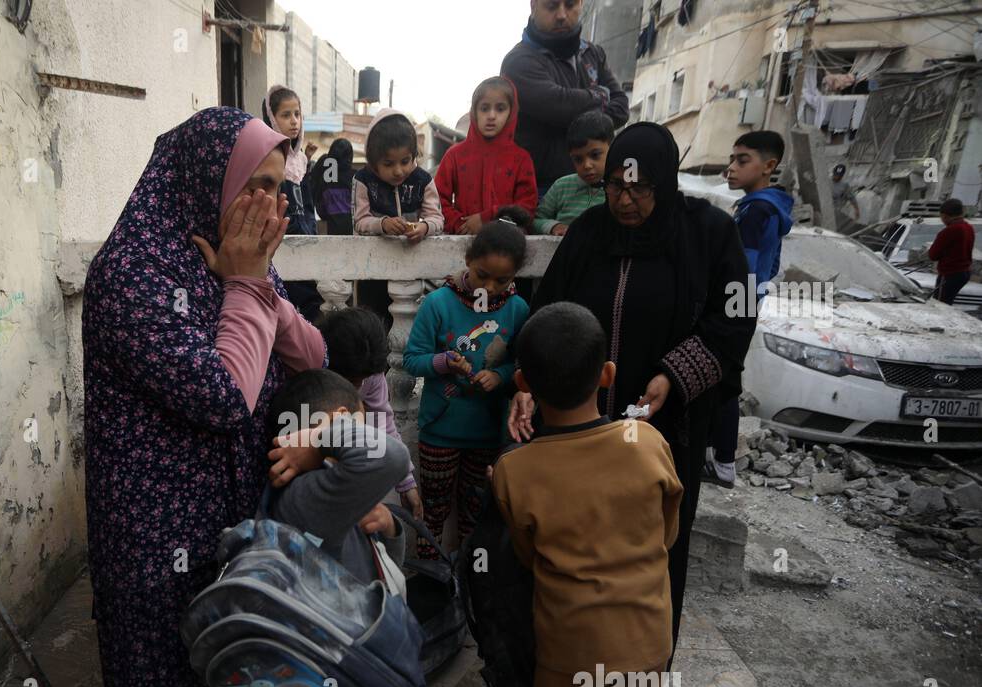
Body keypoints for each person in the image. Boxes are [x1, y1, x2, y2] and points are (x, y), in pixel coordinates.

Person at [82, 107, 326, 687]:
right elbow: (225, 395)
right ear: (202, 180)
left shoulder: (237, 255)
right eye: (253, 186)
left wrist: (258, 287)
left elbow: (311, 356)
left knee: (233, 686)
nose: (269, 208)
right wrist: (247, 284)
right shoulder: (133, 273)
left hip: (227, 526)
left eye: (279, 190)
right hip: (158, 538)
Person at [516, 122, 751, 659]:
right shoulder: (589, 233)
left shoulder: (710, 234)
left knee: (654, 540)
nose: (624, 200)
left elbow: (735, 318)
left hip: (664, 426)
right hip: (580, 423)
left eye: (639, 189)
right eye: (615, 188)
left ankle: (642, 657)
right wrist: (529, 383)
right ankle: (569, 648)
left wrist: (673, 375)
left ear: (665, 184)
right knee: (574, 533)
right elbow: (546, 313)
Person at [489, 303, 682, 687]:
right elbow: (665, 533)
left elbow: (527, 555)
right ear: (608, 374)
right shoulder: (645, 443)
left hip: (570, 650)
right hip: (647, 642)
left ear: (523, 383)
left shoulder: (516, 470)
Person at [263, 368, 413, 687]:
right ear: (344, 423)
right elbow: (392, 455)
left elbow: (383, 558)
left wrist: (390, 525)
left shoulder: (330, 488)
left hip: (323, 667)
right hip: (337, 681)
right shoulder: (307, 495)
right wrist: (319, 441)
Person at [403, 219, 531, 560]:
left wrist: (501, 376)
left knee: (476, 512)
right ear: (467, 260)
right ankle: (432, 581)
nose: (489, 287)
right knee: (433, 509)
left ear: (516, 275)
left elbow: (523, 367)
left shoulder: (518, 310)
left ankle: (469, 581)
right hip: (439, 431)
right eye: (481, 275)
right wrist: (445, 362)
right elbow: (412, 359)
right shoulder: (438, 304)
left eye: (502, 280)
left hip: (488, 433)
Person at [705, 130, 793, 489]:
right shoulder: (768, 207)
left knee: (722, 381)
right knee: (720, 378)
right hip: (744, 302)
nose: (731, 168)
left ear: (769, 165)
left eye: (743, 161)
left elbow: (746, 265)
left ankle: (723, 462)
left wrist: (727, 305)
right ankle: (715, 454)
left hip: (734, 304)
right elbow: (771, 268)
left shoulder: (757, 209)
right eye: (732, 160)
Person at [501, 0, 628, 195]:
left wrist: (580, 114)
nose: (561, 15)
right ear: (533, 6)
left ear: (581, 4)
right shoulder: (518, 62)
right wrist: (601, 96)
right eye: (551, 7)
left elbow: (621, 108)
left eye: (569, 5)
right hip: (539, 190)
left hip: (594, 187)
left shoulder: (592, 53)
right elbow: (558, 105)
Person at [314, 306, 424, 518]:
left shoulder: (370, 373)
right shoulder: (311, 368)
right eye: (352, 381)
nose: (360, 385)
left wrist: (406, 480)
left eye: (364, 379)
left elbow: (382, 424)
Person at [353, 109, 444, 328]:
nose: (398, 171)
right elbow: (359, 221)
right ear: (373, 162)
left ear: (414, 155)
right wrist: (382, 224)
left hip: (414, 271)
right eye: (388, 164)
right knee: (374, 325)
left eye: (405, 161)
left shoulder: (423, 180)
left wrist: (423, 228)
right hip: (372, 272)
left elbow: (437, 219)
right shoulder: (363, 180)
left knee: (413, 326)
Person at [434, 76, 538, 235]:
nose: (491, 116)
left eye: (500, 108)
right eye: (484, 108)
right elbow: (437, 198)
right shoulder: (455, 155)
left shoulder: (521, 159)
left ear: (511, 112)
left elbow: (527, 207)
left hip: (506, 244)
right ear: (474, 112)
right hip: (460, 241)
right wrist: (460, 224)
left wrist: (489, 219)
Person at [262, 85, 322, 319]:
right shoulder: (267, 158)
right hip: (279, 243)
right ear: (271, 118)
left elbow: (308, 205)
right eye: (286, 115)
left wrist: (312, 233)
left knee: (310, 301)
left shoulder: (300, 162)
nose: (294, 121)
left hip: (303, 240)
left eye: (297, 114)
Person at [532, 110, 610, 236]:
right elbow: (535, 220)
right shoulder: (561, 186)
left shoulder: (619, 190)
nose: (587, 165)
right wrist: (554, 227)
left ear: (612, 148)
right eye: (578, 159)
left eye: (595, 155)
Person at [928, 198, 976, 306]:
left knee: (940, 305)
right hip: (964, 272)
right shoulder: (969, 227)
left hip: (950, 273)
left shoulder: (949, 231)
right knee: (948, 301)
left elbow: (933, 255)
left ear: (945, 215)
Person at [307, 137, 355, 235]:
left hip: (326, 216)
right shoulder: (354, 175)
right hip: (349, 224)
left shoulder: (324, 164)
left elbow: (311, 184)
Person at [830, 163, 860, 228]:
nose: (837, 176)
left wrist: (856, 210)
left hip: (836, 212)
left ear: (842, 175)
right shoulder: (826, 181)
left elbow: (852, 198)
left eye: (839, 175)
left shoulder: (844, 185)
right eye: (835, 174)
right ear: (833, 172)